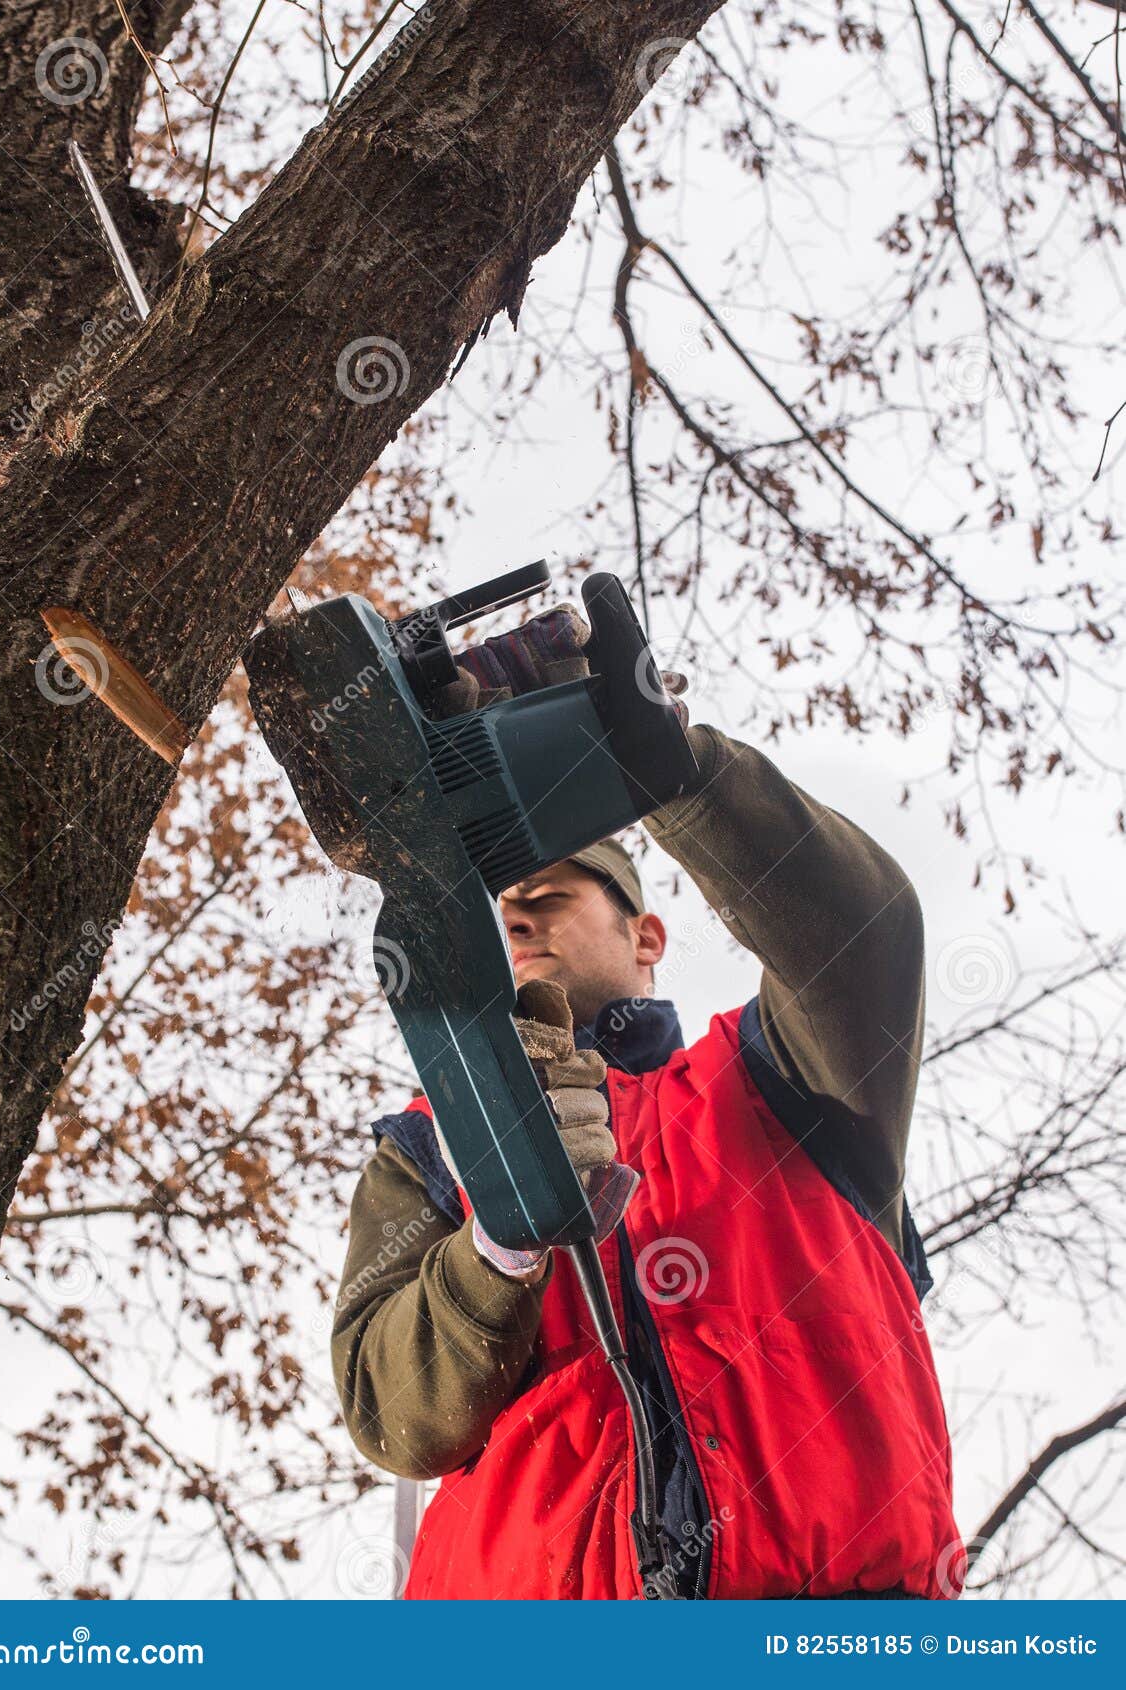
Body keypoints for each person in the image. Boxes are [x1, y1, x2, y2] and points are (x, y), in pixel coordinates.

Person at [330, 605, 961, 1600]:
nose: (520, 912)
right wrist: (501, 1234)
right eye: (498, 907)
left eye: (553, 889)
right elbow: (393, 1415)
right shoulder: (432, 1142)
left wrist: (664, 769)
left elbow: (864, 931)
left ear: (648, 937)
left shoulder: (775, 1079)